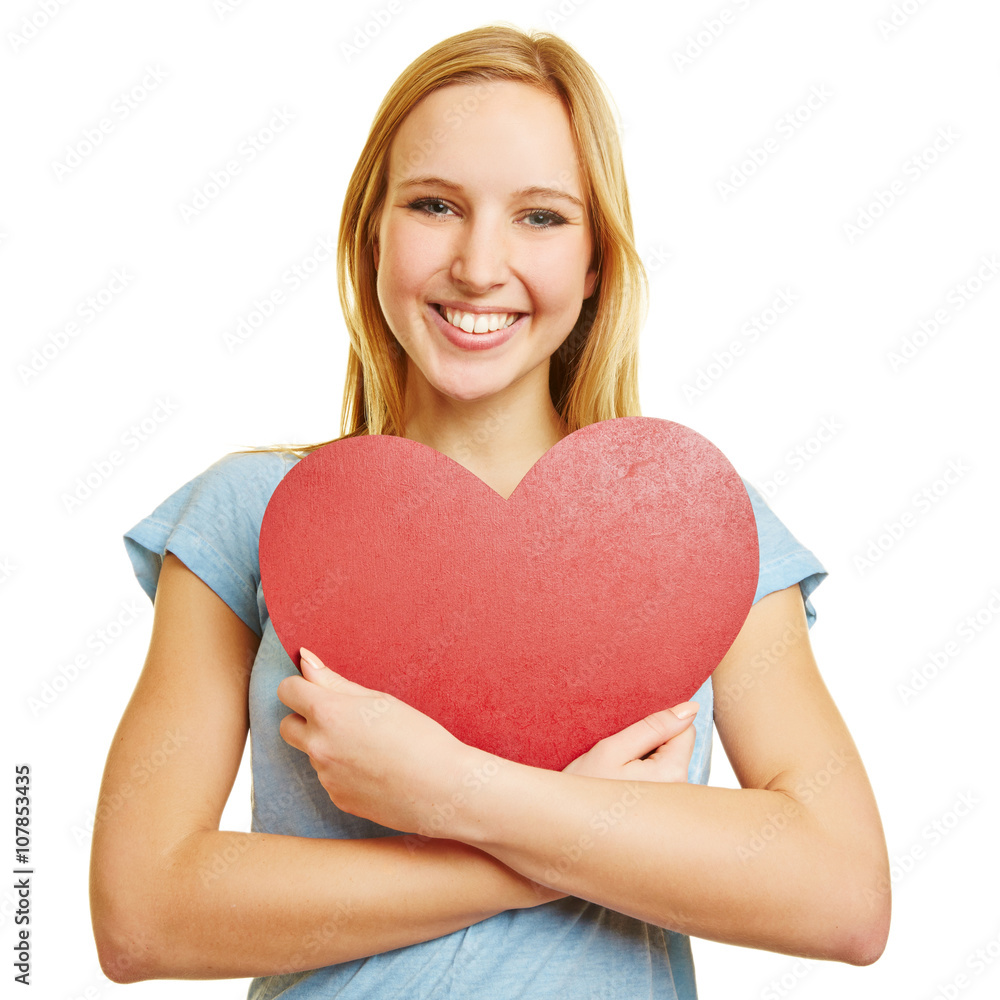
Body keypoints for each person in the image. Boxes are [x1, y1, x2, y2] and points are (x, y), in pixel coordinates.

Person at [89, 23, 890, 998]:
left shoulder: (694, 523)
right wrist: (559, 837)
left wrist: (449, 791)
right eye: (435, 205)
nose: (478, 264)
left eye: (541, 217)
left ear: (596, 259)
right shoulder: (248, 513)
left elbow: (843, 893)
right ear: (371, 230)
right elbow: (142, 911)